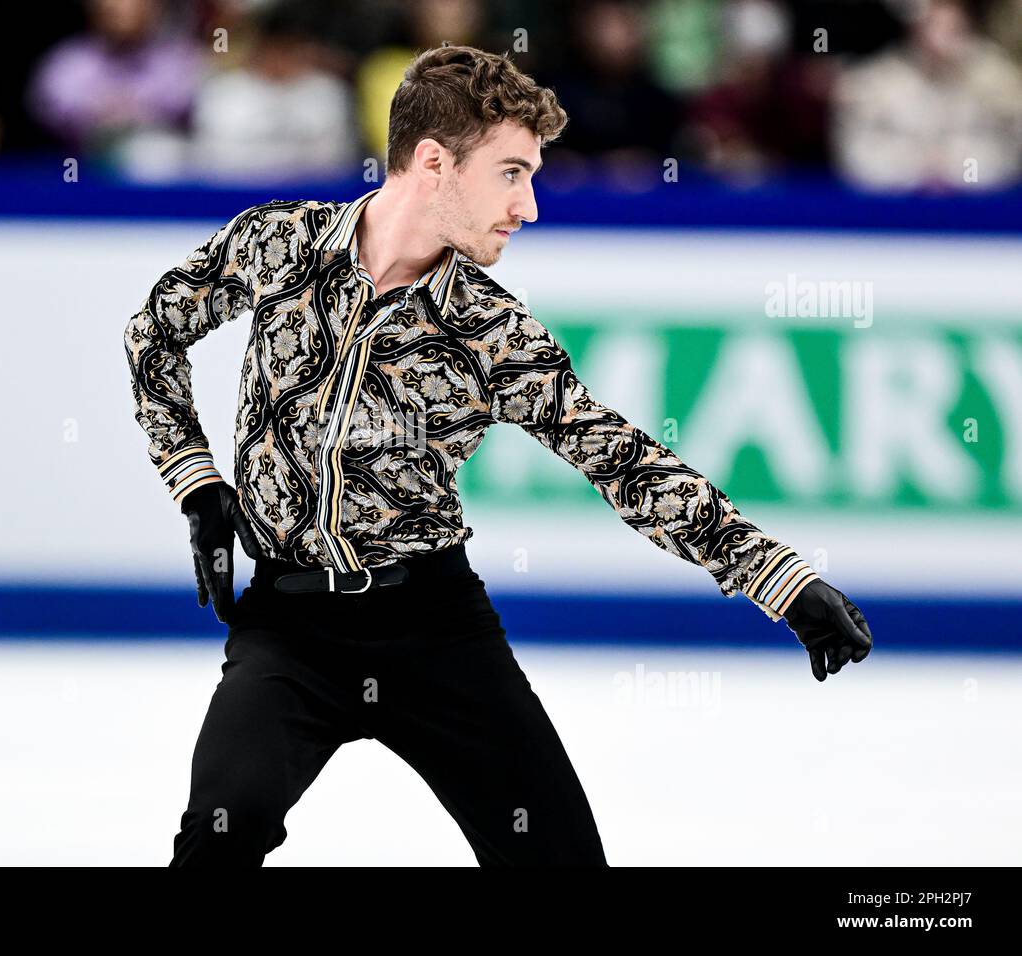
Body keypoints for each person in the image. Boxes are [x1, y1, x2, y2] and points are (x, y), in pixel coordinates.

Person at [125, 44, 873, 867]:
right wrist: (195, 481)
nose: (530, 206)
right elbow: (153, 335)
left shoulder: (494, 331)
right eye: (512, 173)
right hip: (288, 631)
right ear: (435, 163)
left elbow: (619, 461)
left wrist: (777, 577)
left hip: (433, 633)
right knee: (218, 838)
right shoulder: (279, 247)